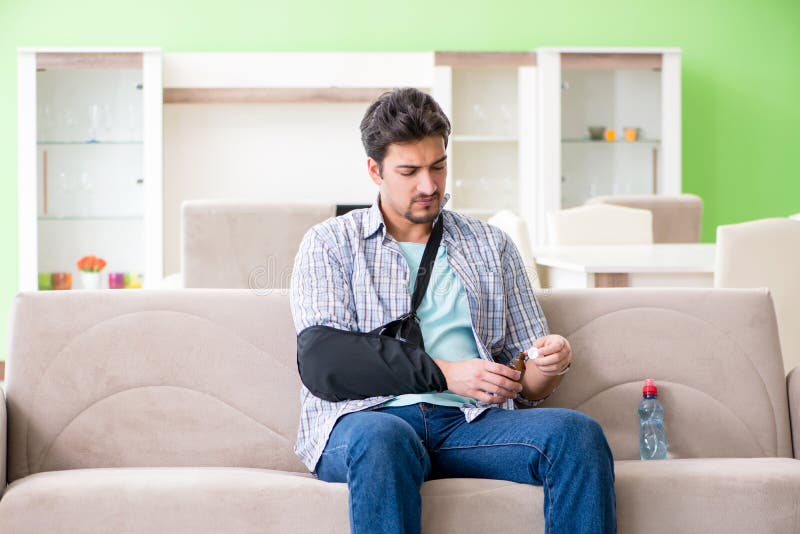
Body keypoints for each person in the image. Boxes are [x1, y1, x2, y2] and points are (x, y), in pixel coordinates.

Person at [289, 87, 616, 534]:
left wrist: (549, 363)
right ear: (374, 170)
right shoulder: (330, 243)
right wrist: (446, 373)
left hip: (470, 423)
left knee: (576, 435)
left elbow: (528, 384)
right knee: (385, 438)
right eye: (409, 171)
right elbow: (323, 359)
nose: (429, 186)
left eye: (438, 167)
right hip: (369, 424)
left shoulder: (490, 244)